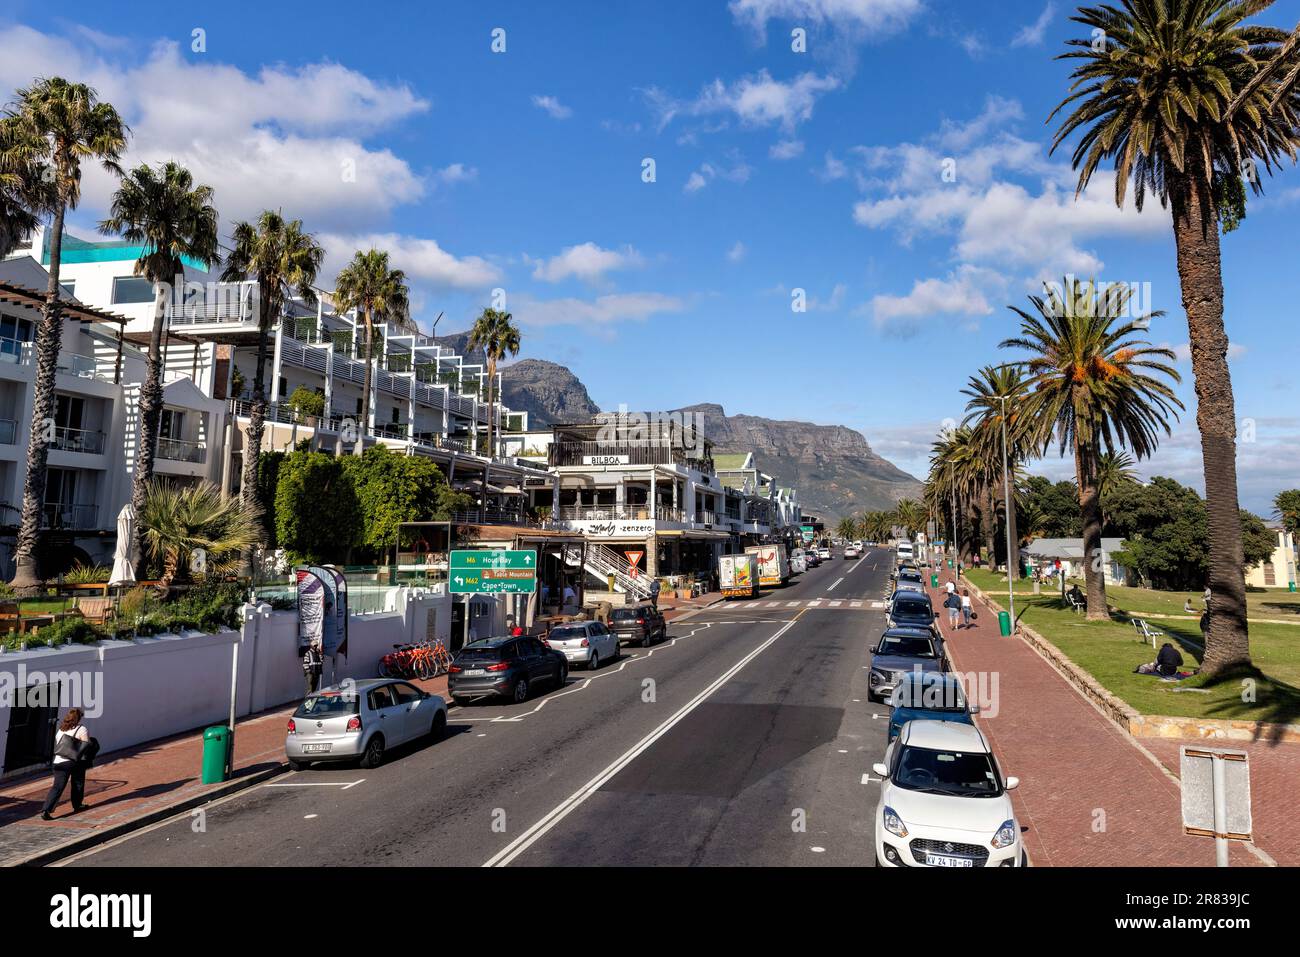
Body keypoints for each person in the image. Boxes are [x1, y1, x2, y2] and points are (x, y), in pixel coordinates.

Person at [41, 708, 92, 820]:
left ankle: (46, 810)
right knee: (78, 782)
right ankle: (77, 805)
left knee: (57, 787)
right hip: (71, 762)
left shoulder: (61, 729)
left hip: (58, 762)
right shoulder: (81, 729)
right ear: (78, 718)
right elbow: (86, 744)